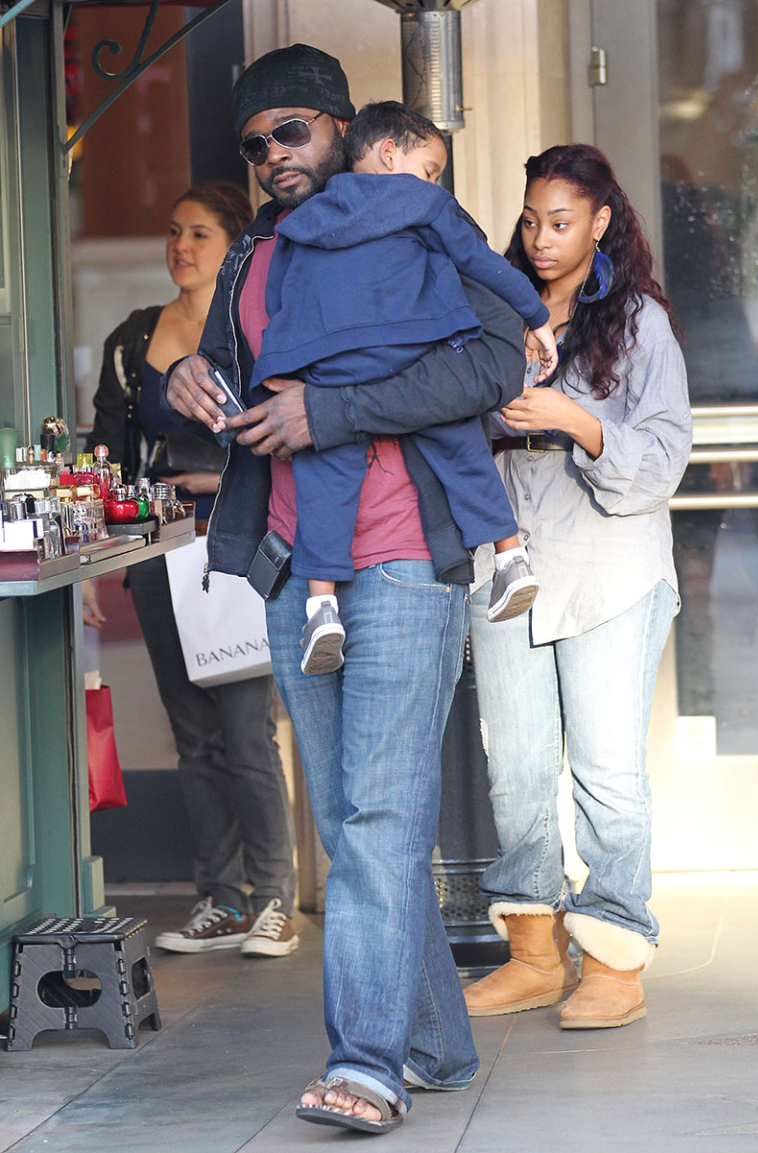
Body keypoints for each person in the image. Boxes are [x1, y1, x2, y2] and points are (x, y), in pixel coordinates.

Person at [163, 43, 528, 1134]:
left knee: (376, 818)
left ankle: (366, 1062)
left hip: (407, 555)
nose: (274, 155)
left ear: (340, 126)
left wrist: (333, 413)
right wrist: (190, 382)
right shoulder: (255, 254)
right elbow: (235, 380)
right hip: (294, 566)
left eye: (292, 131)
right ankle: (438, 1040)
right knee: (356, 819)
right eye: (255, 144)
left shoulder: (414, 217)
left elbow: (496, 364)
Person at [462, 144, 692, 1029]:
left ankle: (614, 957)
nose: (541, 238)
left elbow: (663, 456)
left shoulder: (637, 321)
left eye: (560, 222)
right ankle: (532, 953)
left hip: (609, 562)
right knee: (516, 766)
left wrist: (576, 420)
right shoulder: (495, 310)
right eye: (530, 220)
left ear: (600, 221)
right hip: (505, 556)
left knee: (605, 769)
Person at [250, 100, 558, 674]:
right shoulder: (423, 203)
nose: (434, 182)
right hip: (408, 348)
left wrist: (281, 361)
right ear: (390, 154)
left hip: (332, 363)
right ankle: (510, 557)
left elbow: (282, 294)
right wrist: (536, 316)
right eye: (430, 168)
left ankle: (321, 607)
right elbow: (482, 263)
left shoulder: (302, 221)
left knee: (324, 475)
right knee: (458, 442)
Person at [85, 181, 299, 960]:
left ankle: (274, 898)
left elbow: (282, 431)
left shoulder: (257, 326)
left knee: (246, 732)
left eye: (199, 233)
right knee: (194, 738)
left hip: (234, 547)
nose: (181, 246)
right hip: (157, 554)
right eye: (174, 231)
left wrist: (218, 477)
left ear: (234, 245)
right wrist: (89, 564)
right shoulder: (133, 337)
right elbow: (106, 456)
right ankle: (223, 898)